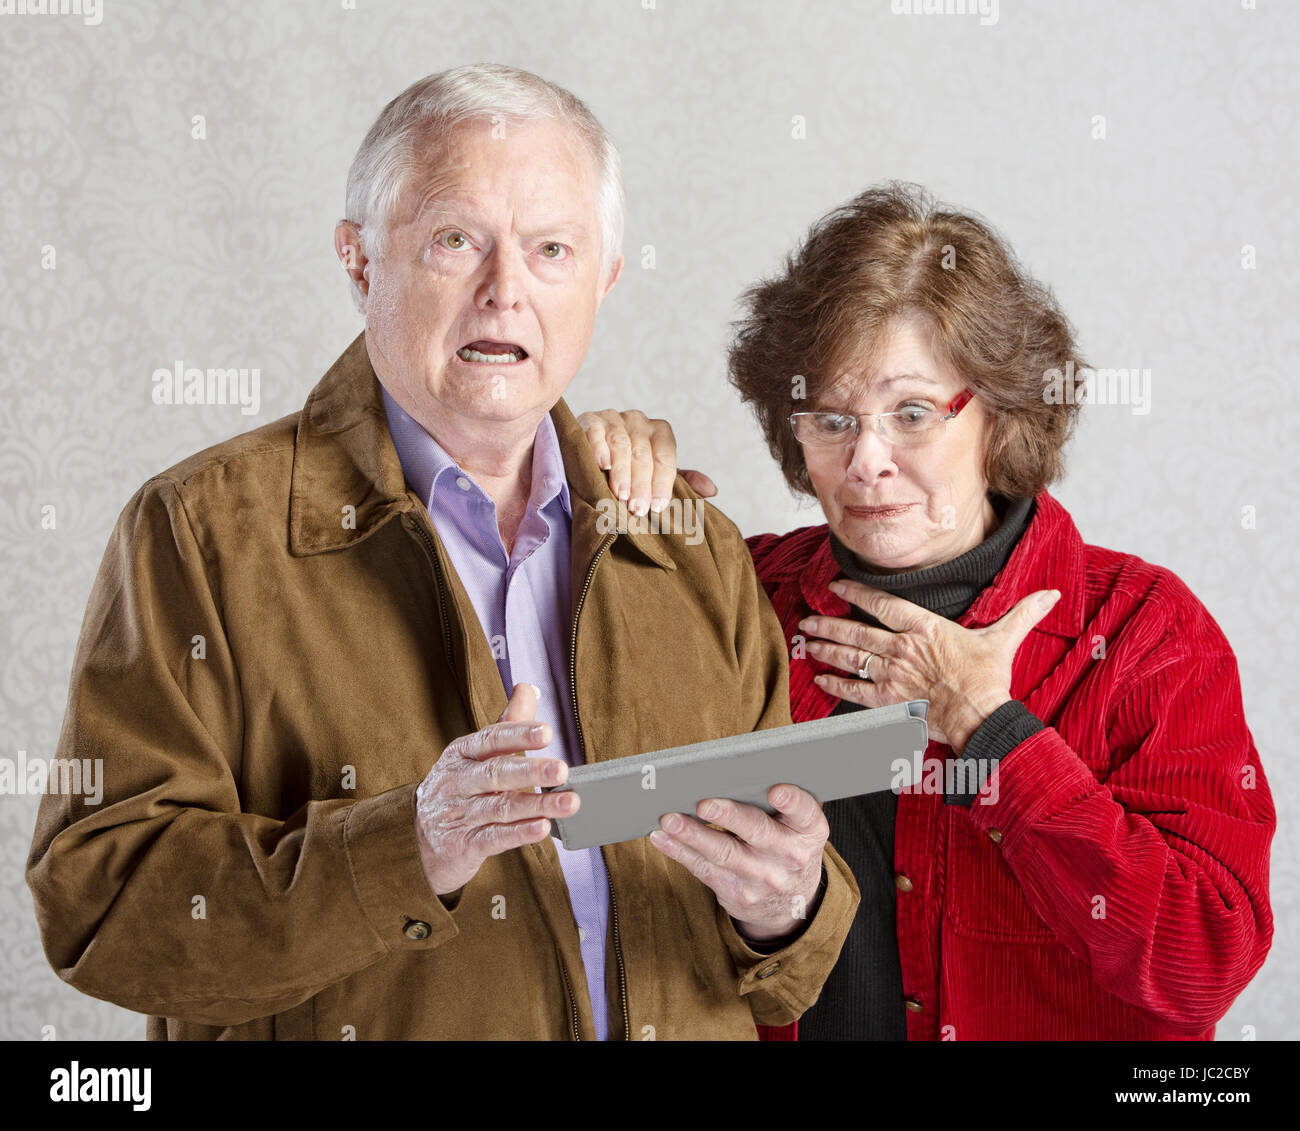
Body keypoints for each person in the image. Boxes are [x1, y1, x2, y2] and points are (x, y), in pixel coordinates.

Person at [25, 64, 860, 1041]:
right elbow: (103, 914)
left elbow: (781, 980)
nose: (505, 293)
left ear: (603, 281)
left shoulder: (689, 545)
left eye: (551, 250)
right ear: (359, 258)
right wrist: (407, 845)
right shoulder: (203, 533)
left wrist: (787, 908)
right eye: (455, 241)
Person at [578, 182, 1275, 1040]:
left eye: (912, 413)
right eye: (832, 418)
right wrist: (596, 484)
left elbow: (1199, 964)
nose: (867, 460)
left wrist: (991, 732)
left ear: (1000, 410)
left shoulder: (1146, 634)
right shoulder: (742, 592)